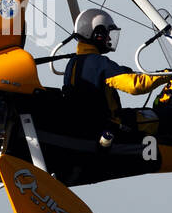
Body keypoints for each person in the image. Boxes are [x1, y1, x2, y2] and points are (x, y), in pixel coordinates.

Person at [63, 9, 165, 145]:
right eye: (107, 34)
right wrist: (166, 74)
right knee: (160, 119)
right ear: (97, 34)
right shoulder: (99, 63)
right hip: (109, 126)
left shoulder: (73, 62)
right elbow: (136, 85)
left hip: (86, 126)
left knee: (144, 113)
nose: (109, 39)